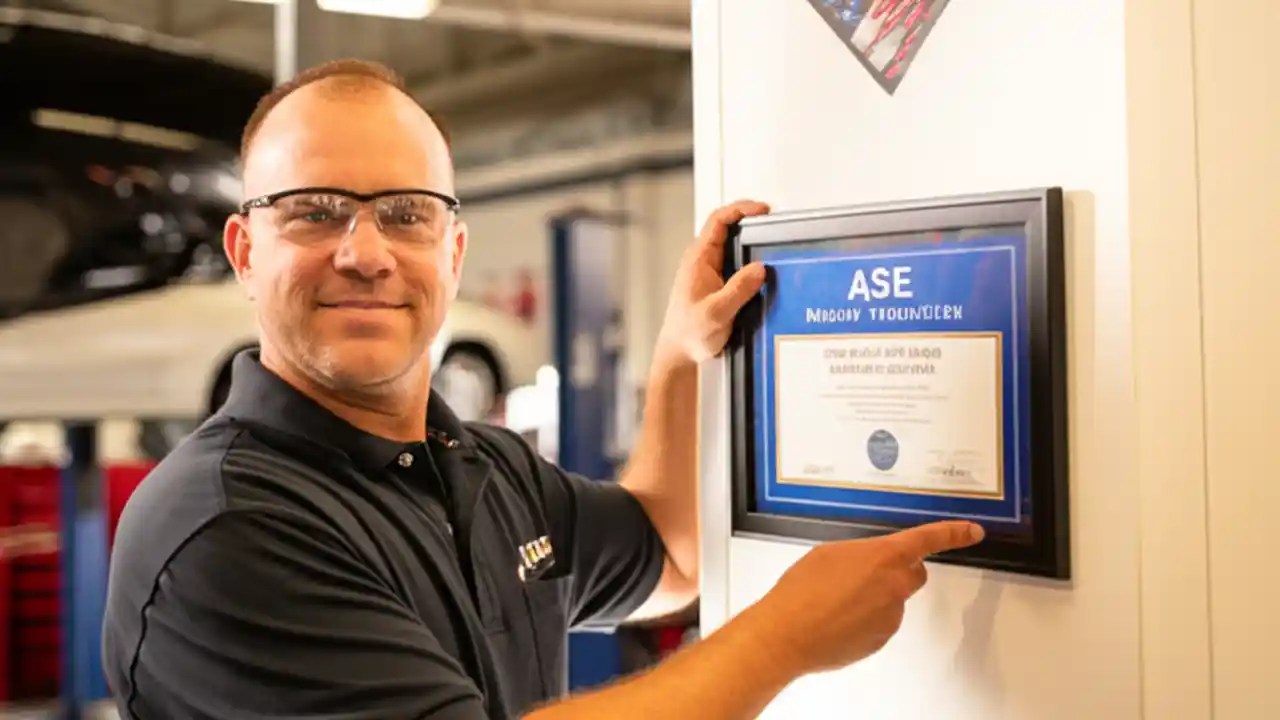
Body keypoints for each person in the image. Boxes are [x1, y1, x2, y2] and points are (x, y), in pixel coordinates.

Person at [101, 59, 984, 720]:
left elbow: (669, 562)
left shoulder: (480, 468)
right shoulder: (223, 526)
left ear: (452, 252)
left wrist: (679, 358)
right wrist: (783, 638)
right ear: (244, 251)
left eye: (406, 213)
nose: (365, 252)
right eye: (315, 210)